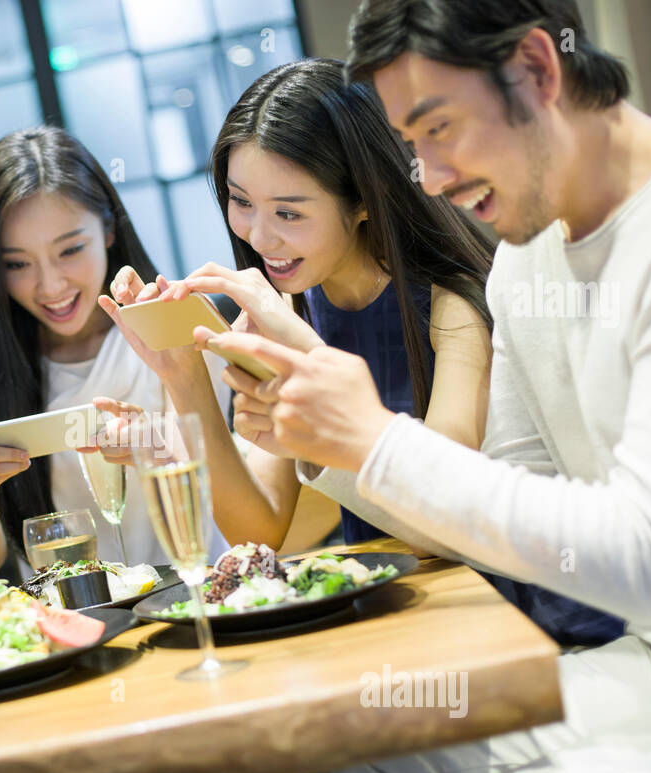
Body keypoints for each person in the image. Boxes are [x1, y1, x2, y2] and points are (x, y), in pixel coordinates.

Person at [204, 0, 651, 773]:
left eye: (439, 129)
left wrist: (369, 439)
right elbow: (504, 520)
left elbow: (648, 562)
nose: (426, 176)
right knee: (364, 766)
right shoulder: (524, 262)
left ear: (539, 69)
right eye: (409, 142)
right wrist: (336, 434)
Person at [101, 58, 621, 645]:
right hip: (401, 620)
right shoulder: (289, 310)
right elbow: (260, 527)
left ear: (364, 201)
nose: (259, 236)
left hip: (511, 620)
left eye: (289, 212)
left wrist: (302, 357)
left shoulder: (452, 308)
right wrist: (185, 377)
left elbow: (443, 515)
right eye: (240, 201)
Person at [0, 126, 231, 578]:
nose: (51, 286)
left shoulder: (176, 322)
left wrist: (161, 443)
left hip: (193, 596)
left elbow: (236, 490)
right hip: (70, 621)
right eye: (17, 264)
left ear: (109, 228)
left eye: (71, 249)